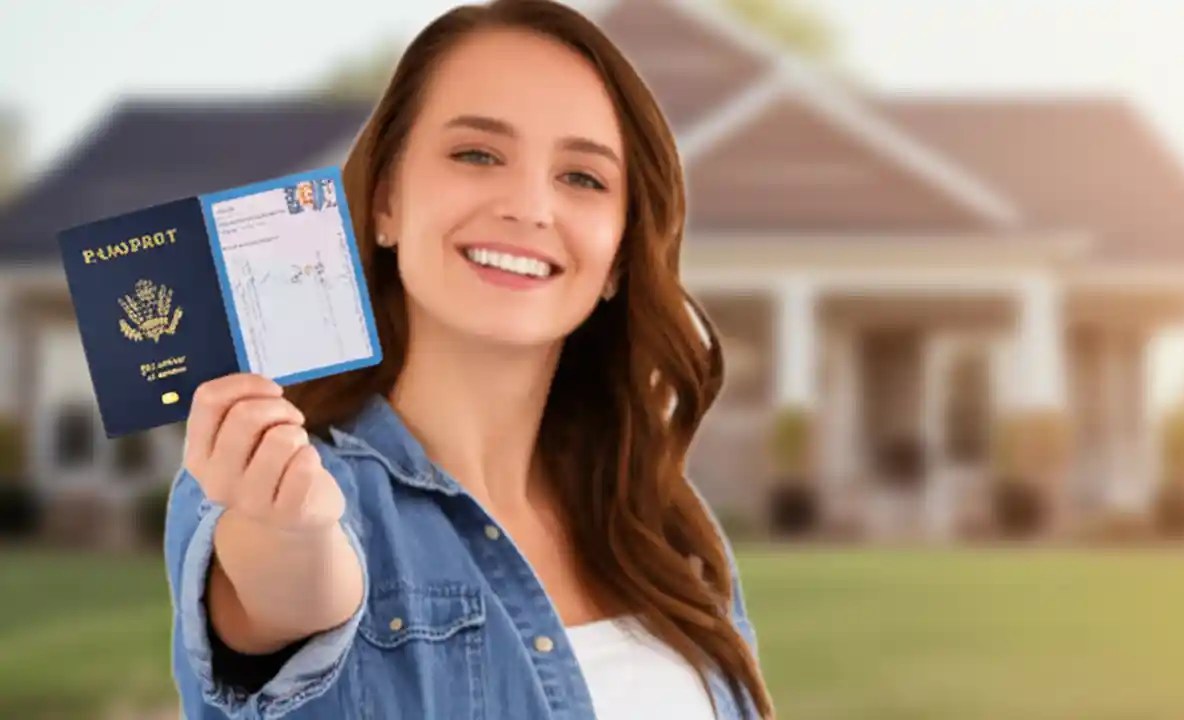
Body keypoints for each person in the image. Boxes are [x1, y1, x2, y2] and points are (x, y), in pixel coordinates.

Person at [163, 1, 774, 718]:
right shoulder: (281, 482)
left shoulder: (663, 525)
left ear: (617, 256)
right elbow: (286, 596)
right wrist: (289, 535)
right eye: (477, 155)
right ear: (387, 199)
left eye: (583, 178)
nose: (529, 206)